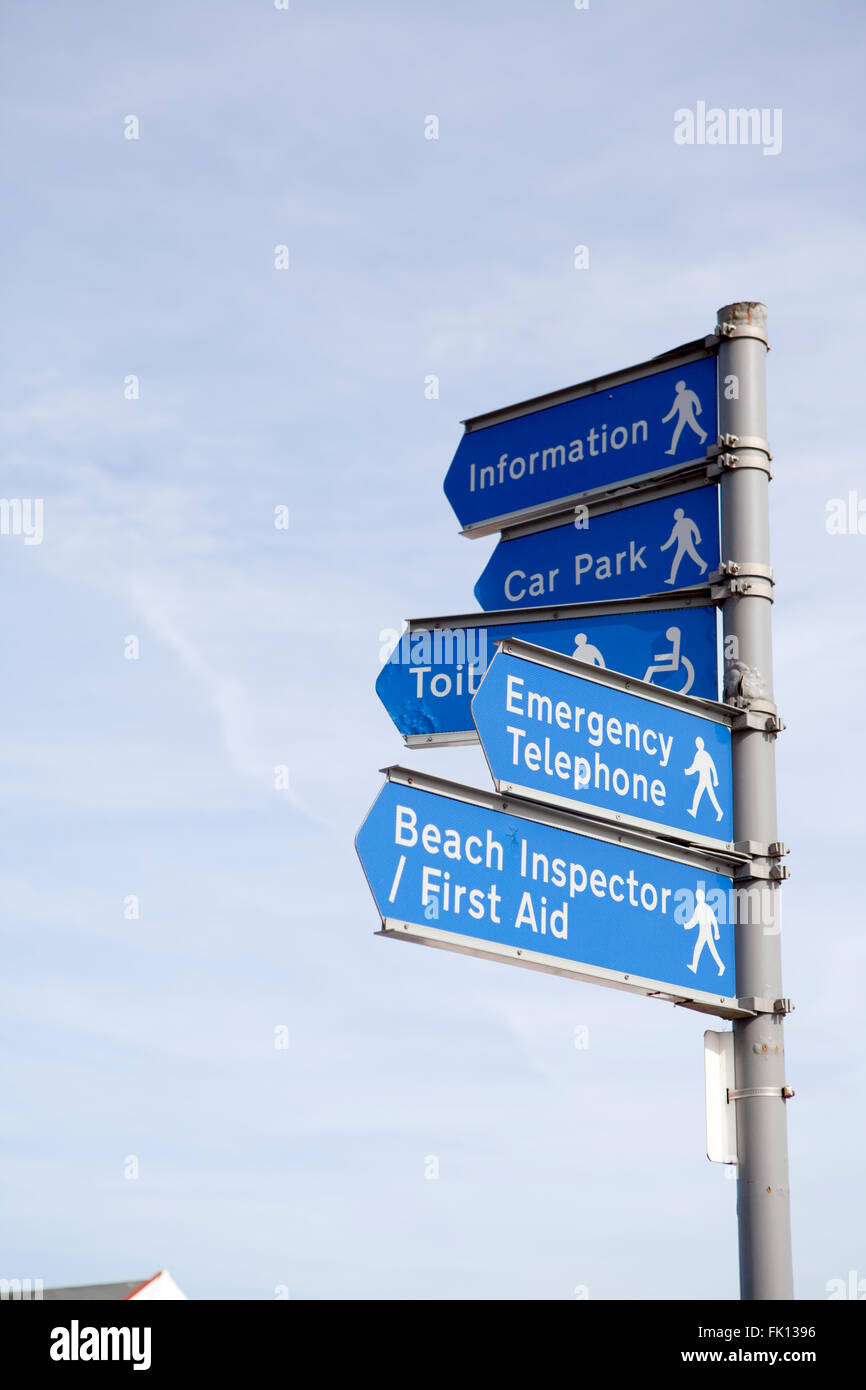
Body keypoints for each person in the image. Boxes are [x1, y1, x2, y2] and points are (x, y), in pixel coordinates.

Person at [683, 887, 725, 976]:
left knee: (712, 950)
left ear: (703, 897)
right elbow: (694, 920)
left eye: (700, 896)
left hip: (707, 929)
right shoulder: (698, 907)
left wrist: (716, 932)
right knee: (699, 948)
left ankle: (721, 966)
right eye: (697, 896)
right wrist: (687, 926)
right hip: (702, 930)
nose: (699, 898)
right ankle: (694, 966)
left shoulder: (706, 907)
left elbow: (714, 920)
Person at [660, 507, 708, 585]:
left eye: (677, 514)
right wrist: (664, 547)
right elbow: (672, 538)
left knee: (691, 556)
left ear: (680, 514)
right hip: (681, 545)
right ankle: (672, 579)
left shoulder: (687, 521)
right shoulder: (676, 525)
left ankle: (703, 565)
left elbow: (694, 528)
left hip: (688, 543)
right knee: (679, 560)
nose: (675, 516)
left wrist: (698, 538)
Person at [662, 379, 708, 455]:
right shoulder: (678, 397)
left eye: (678, 387)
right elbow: (673, 410)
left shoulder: (689, 393)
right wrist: (666, 419)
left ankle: (703, 435)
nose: (677, 389)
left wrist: (699, 408)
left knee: (693, 427)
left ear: (682, 387)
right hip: (682, 417)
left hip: (689, 415)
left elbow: (695, 400)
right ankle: (672, 450)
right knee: (679, 431)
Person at [685, 736, 724, 822]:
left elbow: (712, 767)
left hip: (706, 778)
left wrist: (715, 779)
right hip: (703, 778)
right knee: (703, 794)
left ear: (702, 744)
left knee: (710, 796)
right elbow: (695, 767)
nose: (699, 745)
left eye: (700, 743)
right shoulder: (698, 754)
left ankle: (719, 812)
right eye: (698, 743)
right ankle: (694, 811)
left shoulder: (705, 754)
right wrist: (688, 771)